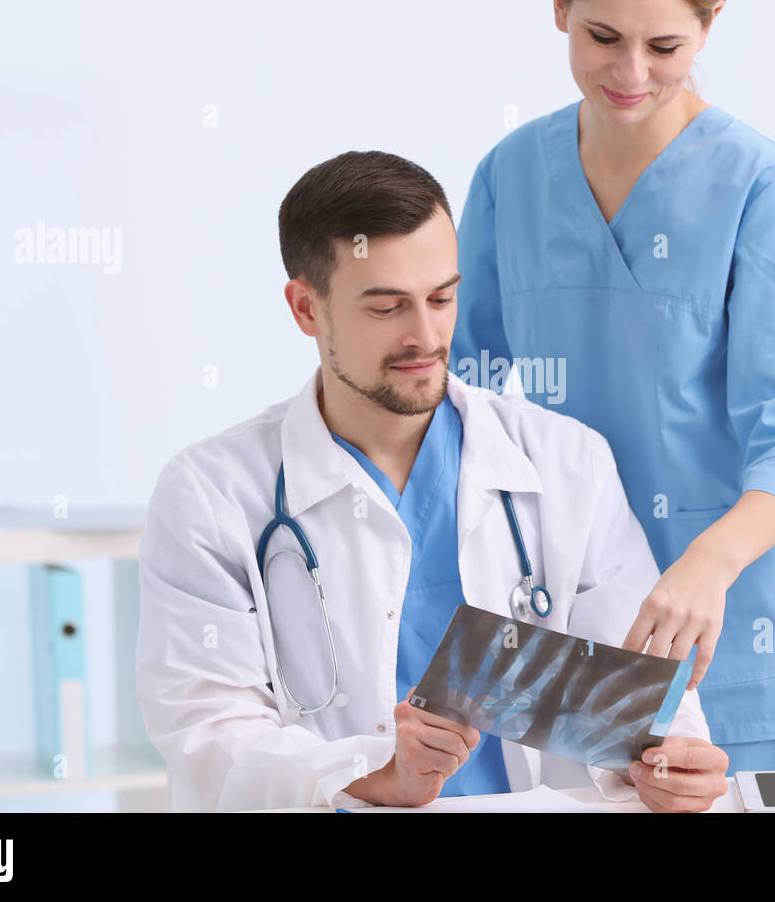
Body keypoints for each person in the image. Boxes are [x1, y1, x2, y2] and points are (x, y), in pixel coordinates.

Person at [136, 149, 728, 812]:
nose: (426, 336)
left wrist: (667, 763)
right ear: (306, 308)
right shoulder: (212, 494)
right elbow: (207, 732)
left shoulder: (566, 462)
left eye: (442, 298)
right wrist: (368, 770)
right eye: (386, 307)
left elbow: (643, 699)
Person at [452, 0, 775, 774]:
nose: (631, 72)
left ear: (708, 29)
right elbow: (465, 402)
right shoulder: (509, 178)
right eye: (603, 36)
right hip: (582, 637)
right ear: (557, 4)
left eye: (664, 48)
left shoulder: (762, 188)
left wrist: (708, 562)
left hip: (739, 634)